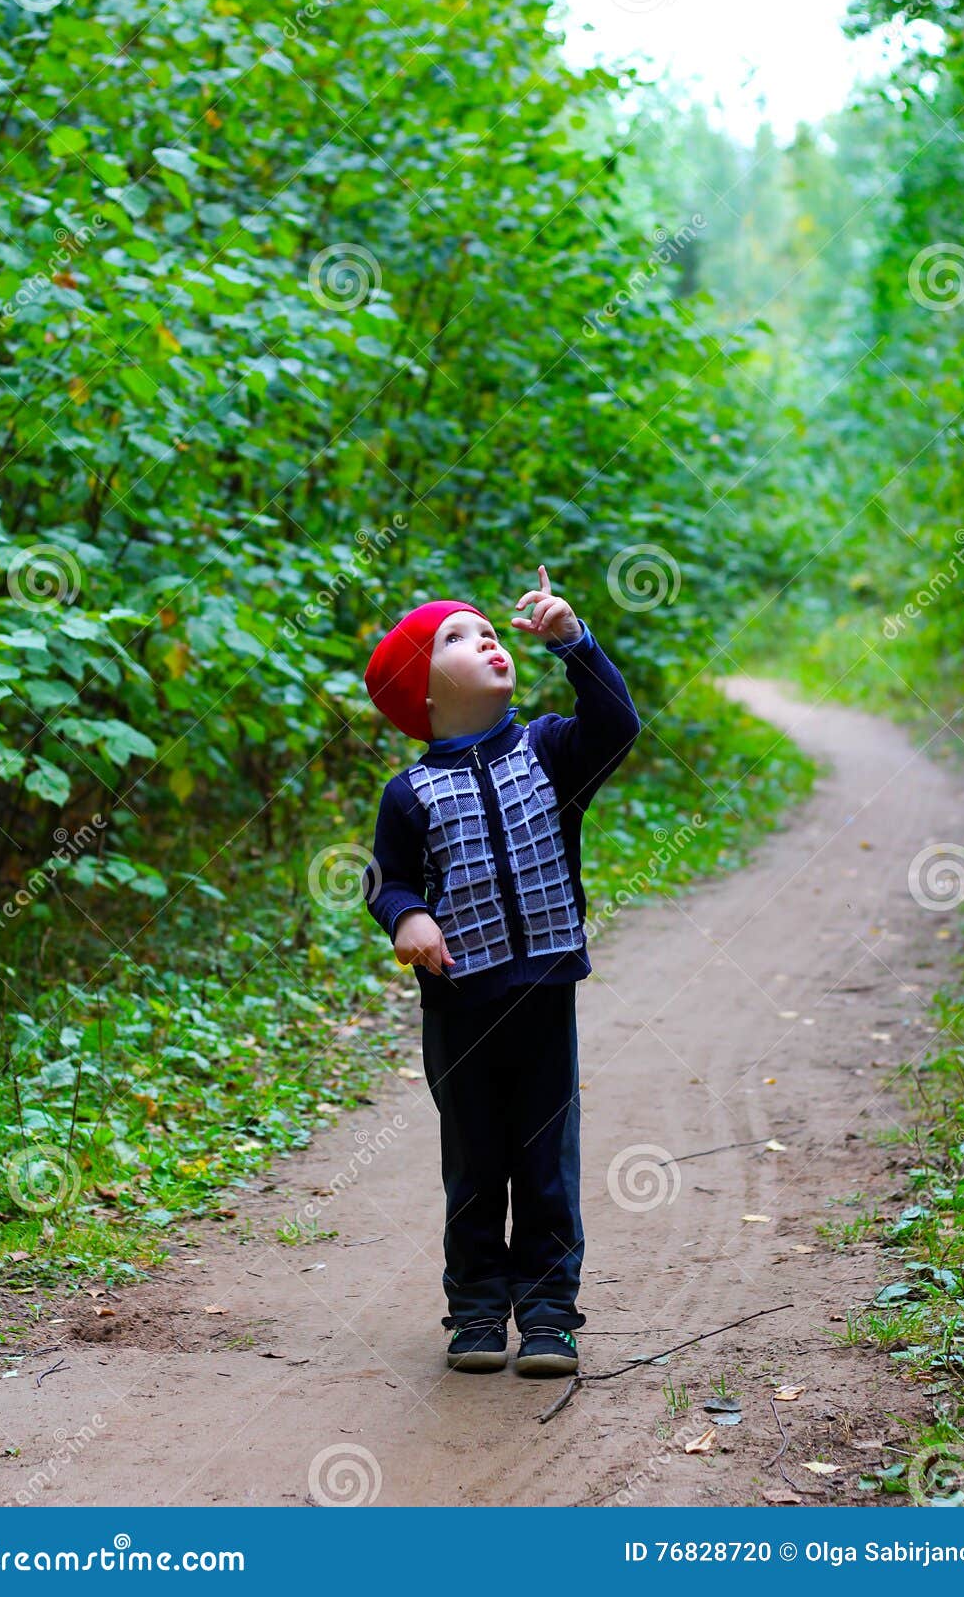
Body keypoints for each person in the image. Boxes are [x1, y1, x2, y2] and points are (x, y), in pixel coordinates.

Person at [361, 564, 641, 1377]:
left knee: (546, 1158)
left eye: (487, 628)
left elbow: (615, 725)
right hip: (460, 1006)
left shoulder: (550, 751)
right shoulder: (408, 793)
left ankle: (550, 1314)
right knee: (477, 1160)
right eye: (457, 636)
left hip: (544, 993)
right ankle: (477, 1309)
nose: (484, 637)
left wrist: (574, 643)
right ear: (423, 693)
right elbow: (386, 877)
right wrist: (407, 916)